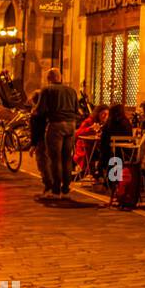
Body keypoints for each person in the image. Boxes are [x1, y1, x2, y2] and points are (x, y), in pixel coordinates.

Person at [33, 67, 80, 200]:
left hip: (56, 125)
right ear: (61, 77)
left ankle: (56, 190)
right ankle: (66, 188)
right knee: (67, 157)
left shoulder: (47, 90)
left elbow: (40, 110)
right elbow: (77, 109)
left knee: (55, 159)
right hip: (71, 125)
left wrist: (34, 111)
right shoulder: (71, 91)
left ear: (49, 78)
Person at [95, 103, 135, 189]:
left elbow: (104, 141)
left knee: (100, 154)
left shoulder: (109, 123)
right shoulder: (127, 123)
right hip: (126, 153)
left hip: (112, 154)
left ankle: (104, 177)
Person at [74, 104, 109, 178]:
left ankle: (99, 175)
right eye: (103, 114)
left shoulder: (103, 123)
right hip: (84, 146)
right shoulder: (89, 121)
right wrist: (90, 129)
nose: (105, 116)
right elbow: (77, 133)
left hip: (94, 146)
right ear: (98, 113)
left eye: (107, 114)